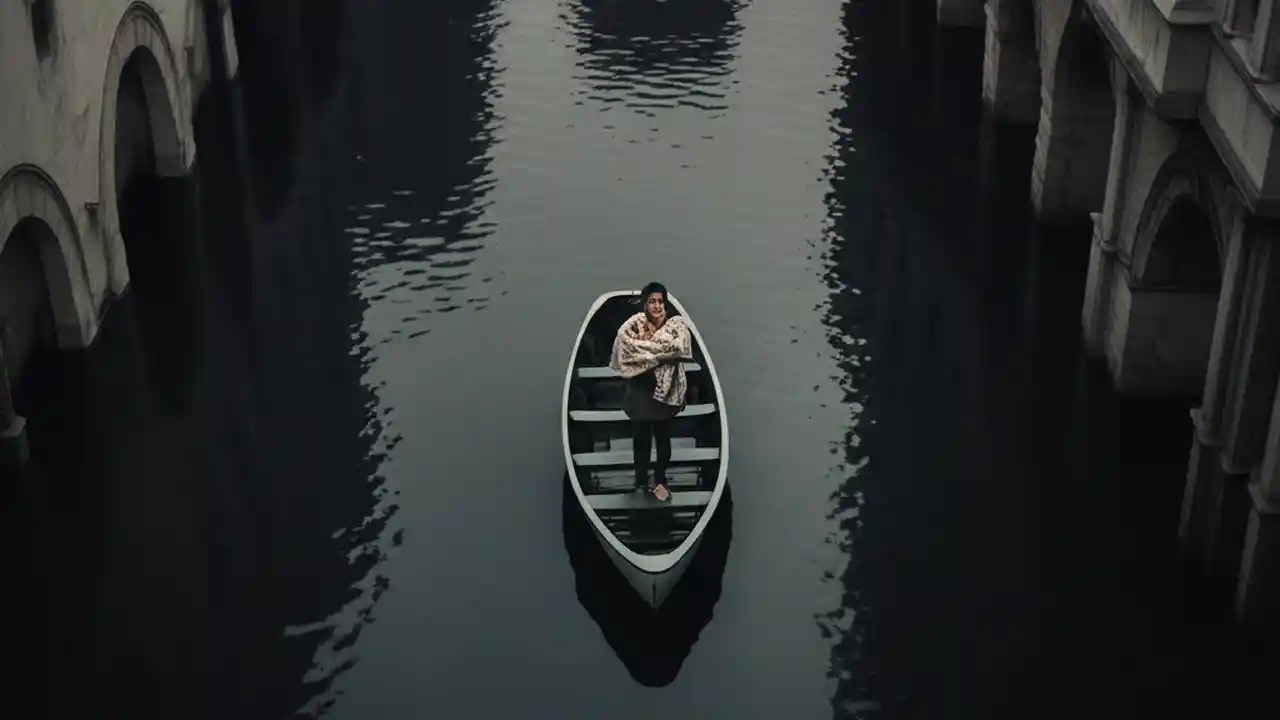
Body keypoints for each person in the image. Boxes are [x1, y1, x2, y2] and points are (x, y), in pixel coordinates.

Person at [608, 282, 692, 502]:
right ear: (645, 304)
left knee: (663, 438)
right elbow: (627, 351)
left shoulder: (675, 326)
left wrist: (651, 353)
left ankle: (660, 480)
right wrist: (658, 355)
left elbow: (680, 347)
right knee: (641, 440)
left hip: (667, 392)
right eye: (652, 301)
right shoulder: (634, 326)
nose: (656, 306)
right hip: (640, 390)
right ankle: (640, 482)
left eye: (660, 301)